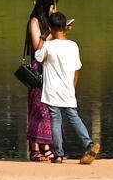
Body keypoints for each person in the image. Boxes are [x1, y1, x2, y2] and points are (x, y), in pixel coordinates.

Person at [35, 13, 96, 162]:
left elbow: (37, 56)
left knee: (56, 121)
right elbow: (77, 69)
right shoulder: (73, 45)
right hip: (68, 89)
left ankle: (59, 154)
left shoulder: (49, 45)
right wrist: (73, 87)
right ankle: (88, 143)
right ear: (66, 27)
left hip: (52, 91)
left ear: (50, 28)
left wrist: (43, 38)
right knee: (74, 117)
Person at [23, 0, 62, 162]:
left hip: (51, 68)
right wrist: (48, 35)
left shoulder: (48, 23)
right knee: (38, 108)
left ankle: (48, 145)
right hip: (38, 69)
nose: (54, 11)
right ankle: (35, 148)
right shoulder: (35, 22)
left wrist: (61, 29)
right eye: (53, 7)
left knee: (49, 109)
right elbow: (37, 46)